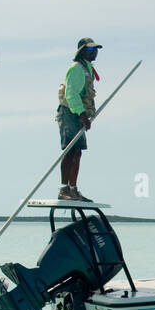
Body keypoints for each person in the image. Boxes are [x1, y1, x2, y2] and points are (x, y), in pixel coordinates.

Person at [56, 37, 102, 201]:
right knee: (70, 149)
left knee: (78, 151)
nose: (94, 52)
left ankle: (73, 189)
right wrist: (82, 115)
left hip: (79, 113)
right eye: (90, 49)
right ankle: (64, 189)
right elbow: (71, 94)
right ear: (82, 51)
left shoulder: (87, 68)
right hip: (70, 112)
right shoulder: (76, 68)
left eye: (95, 49)